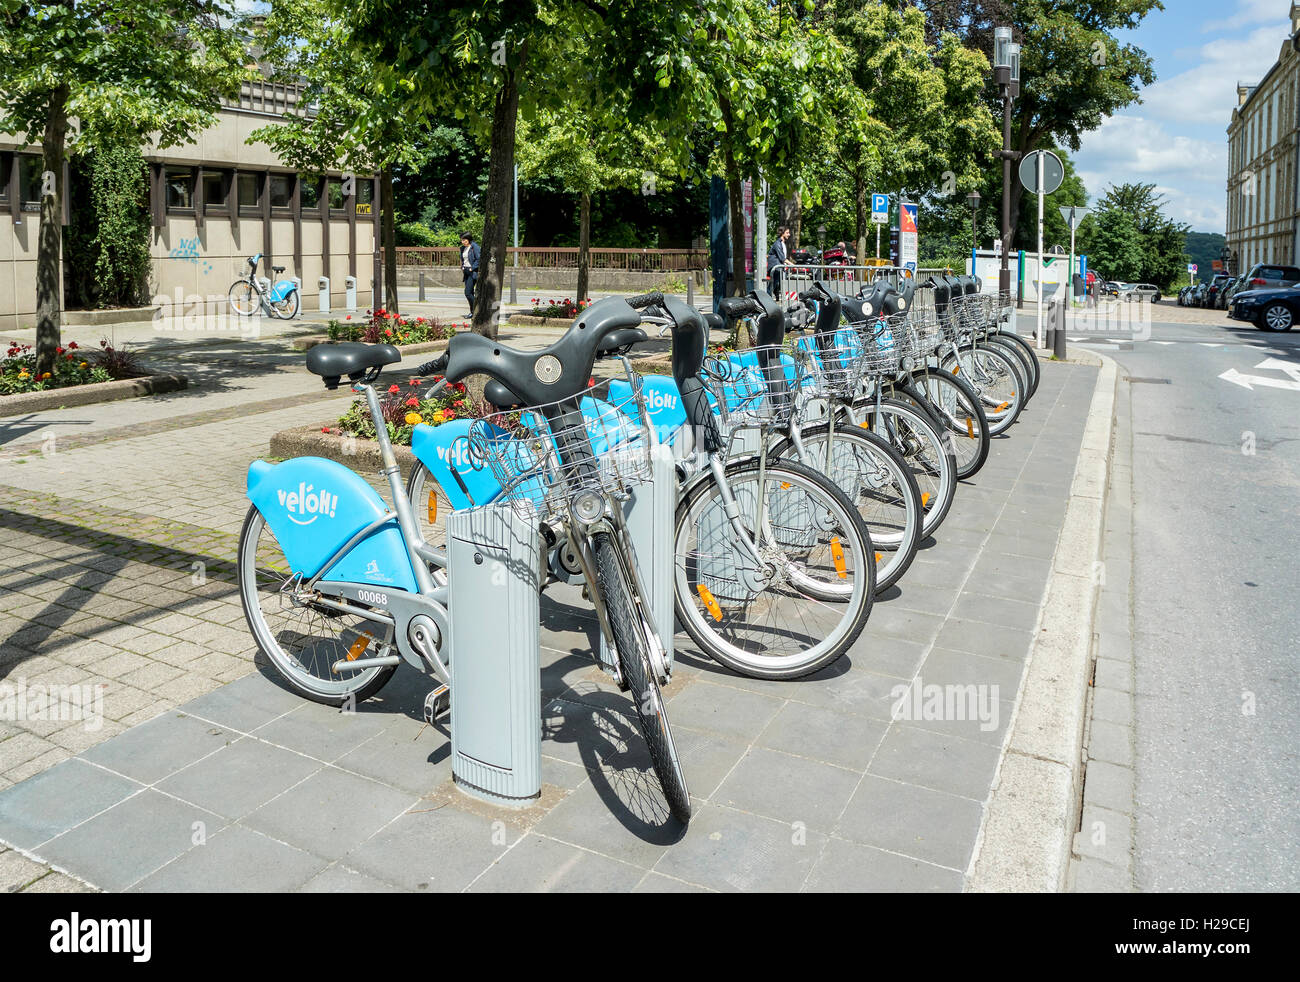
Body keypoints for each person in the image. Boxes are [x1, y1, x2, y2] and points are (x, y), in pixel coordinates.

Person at [767, 225, 792, 297]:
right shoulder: (777, 243)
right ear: (782, 233)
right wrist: (793, 265)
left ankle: (773, 297)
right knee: (771, 287)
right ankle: (764, 301)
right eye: (787, 233)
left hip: (779, 268)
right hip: (776, 268)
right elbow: (782, 258)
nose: (789, 234)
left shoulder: (782, 243)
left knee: (774, 286)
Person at [460, 232, 480, 317]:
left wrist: (473, 268)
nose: (462, 242)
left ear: (468, 239)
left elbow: (479, 258)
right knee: (470, 293)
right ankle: (473, 312)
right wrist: (463, 267)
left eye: (464, 240)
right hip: (466, 271)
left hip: (473, 272)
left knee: (467, 293)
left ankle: (476, 310)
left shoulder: (474, 247)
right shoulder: (462, 248)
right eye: (461, 240)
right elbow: (463, 259)